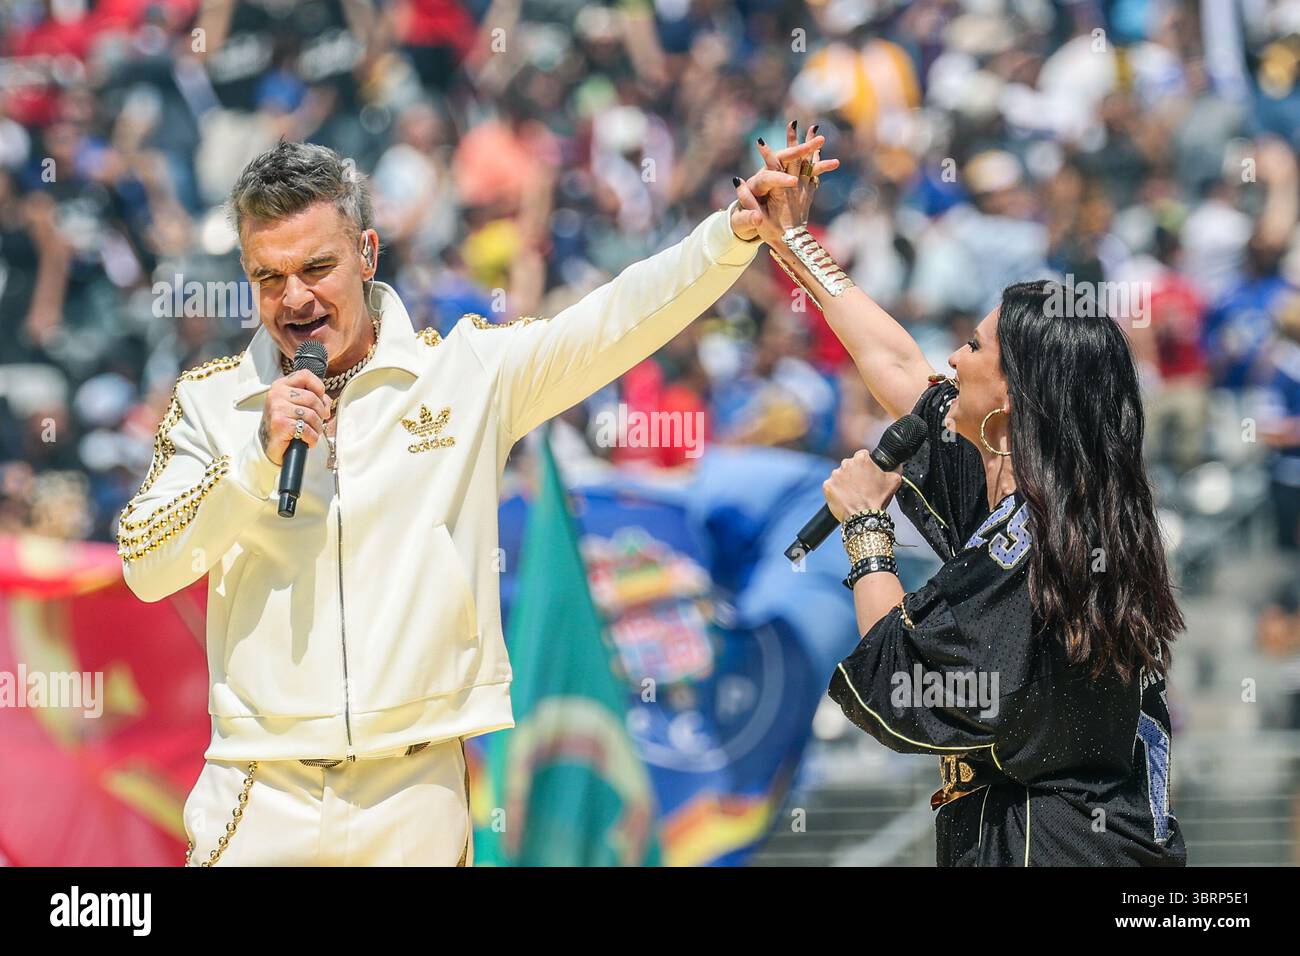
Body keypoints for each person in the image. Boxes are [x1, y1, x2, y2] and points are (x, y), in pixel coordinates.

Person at [117, 133, 835, 866]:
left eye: (317, 267)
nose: (294, 297)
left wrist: (731, 233)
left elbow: (613, 322)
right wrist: (252, 465)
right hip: (258, 792)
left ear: (367, 252)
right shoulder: (213, 401)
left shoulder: (462, 372)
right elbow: (146, 563)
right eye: (269, 277)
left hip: (414, 794)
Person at [734, 131, 1186, 865]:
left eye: (973, 348)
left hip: (1061, 846)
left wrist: (867, 530)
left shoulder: (1031, 538)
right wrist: (791, 238)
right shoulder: (1040, 496)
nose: (951, 358)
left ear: (1016, 394)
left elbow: (903, 685)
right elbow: (895, 359)